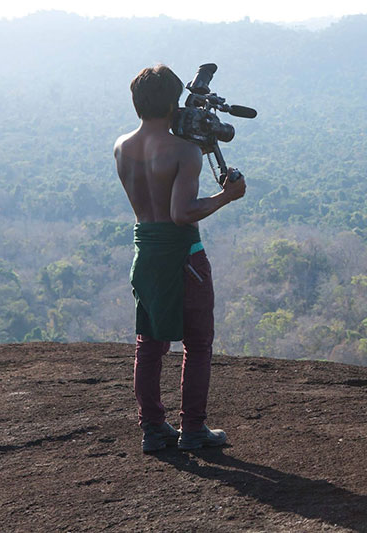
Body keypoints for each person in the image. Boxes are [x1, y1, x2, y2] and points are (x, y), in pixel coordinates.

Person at [113, 64, 246, 453]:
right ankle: (193, 431)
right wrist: (227, 196)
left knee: (149, 343)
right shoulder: (184, 151)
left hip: (147, 253)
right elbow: (181, 213)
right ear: (174, 103)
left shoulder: (121, 145)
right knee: (198, 342)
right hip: (183, 254)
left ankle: (153, 430)